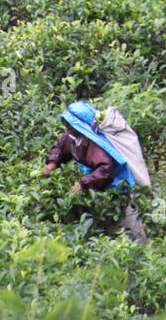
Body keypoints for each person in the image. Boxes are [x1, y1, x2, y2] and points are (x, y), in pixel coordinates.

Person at [43, 100, 147, 241]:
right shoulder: (72, 137)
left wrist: (83, 183)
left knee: (130, 226)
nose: (66, 128)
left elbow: (105, 169)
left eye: (69, 124)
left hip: (119, 188)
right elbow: (60, 147)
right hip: (99, 190)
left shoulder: (95, 144)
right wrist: (53, 163)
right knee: (106, 230)